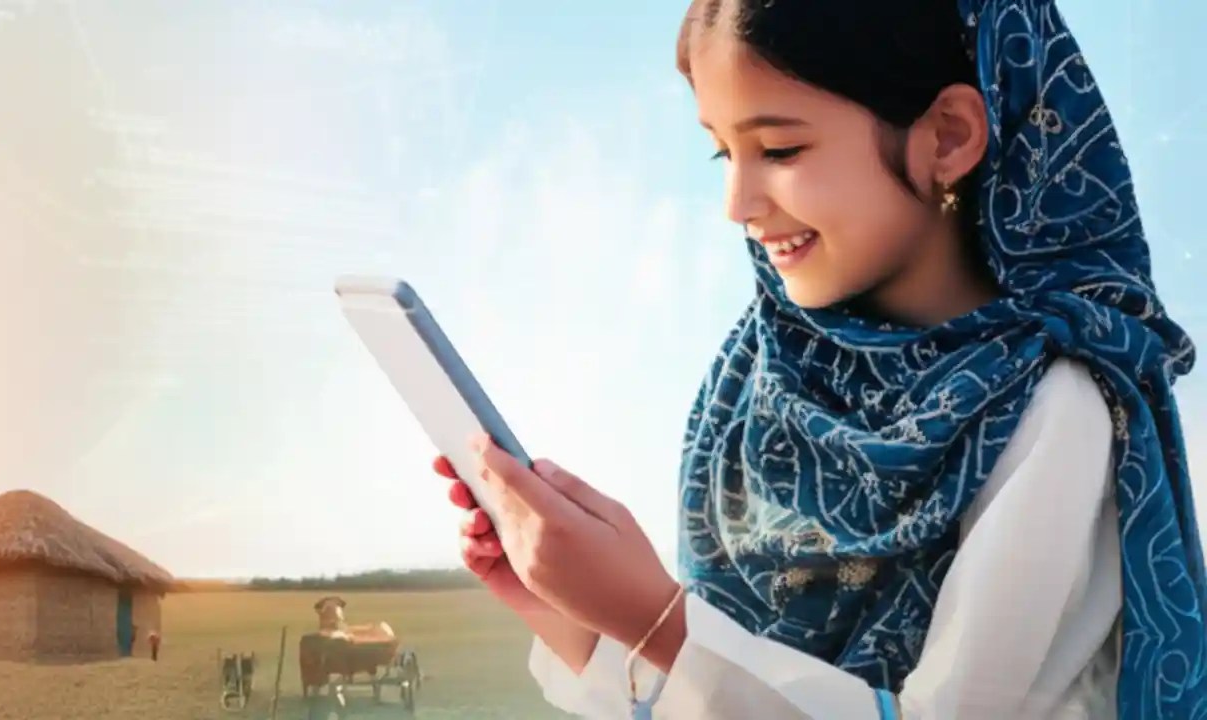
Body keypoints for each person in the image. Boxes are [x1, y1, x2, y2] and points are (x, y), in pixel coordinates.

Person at [431, 0, 1206, 717]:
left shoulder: (1052, 410)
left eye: (779, 147)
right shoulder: (760, 383)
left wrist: (658, 619)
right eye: (720, 153)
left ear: (948, 137)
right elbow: (718, 689)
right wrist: (574, 616)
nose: (736, 203)